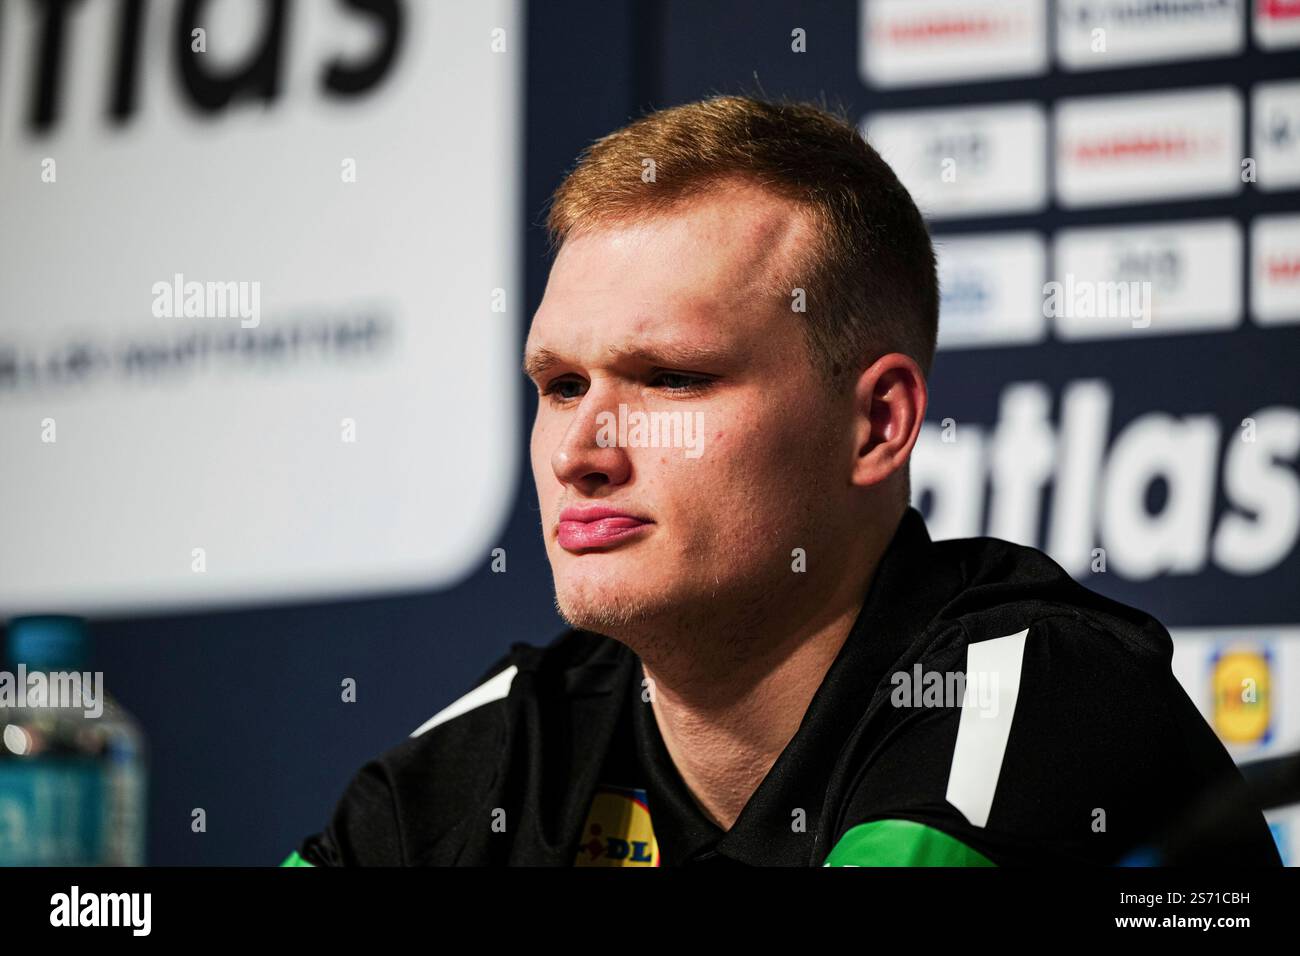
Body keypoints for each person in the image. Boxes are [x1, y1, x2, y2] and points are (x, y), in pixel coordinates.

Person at [283, 95, 1282, 867]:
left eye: (671, 377)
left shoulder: (1020, 693)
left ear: (876, 423)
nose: (579, 448)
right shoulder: (514, 741)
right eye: (559, 383)